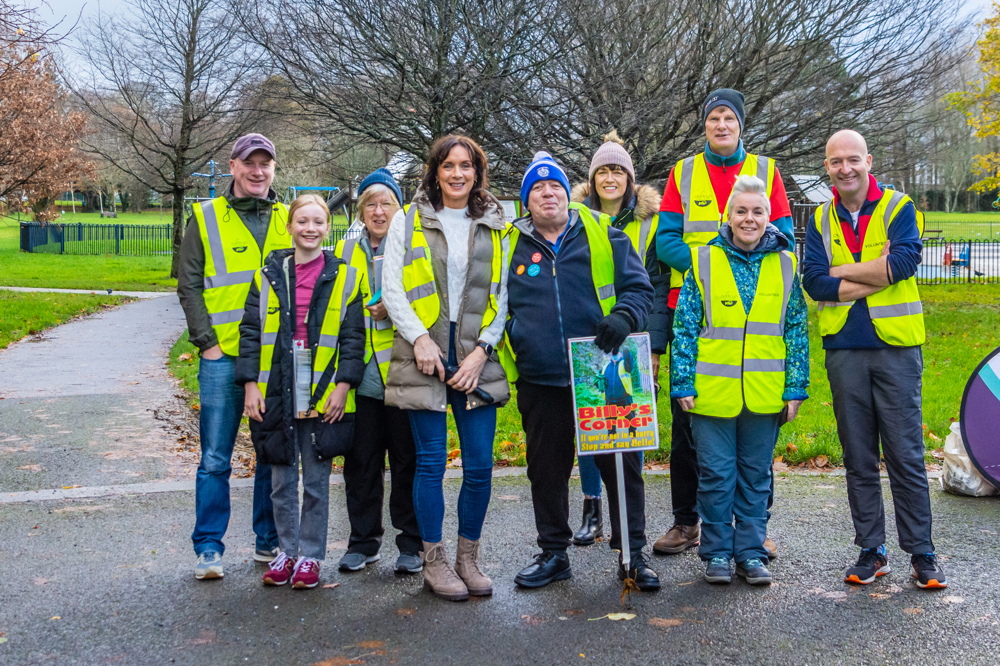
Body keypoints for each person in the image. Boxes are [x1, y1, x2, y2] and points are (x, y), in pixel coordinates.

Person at [503, 151, 659, 592]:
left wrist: (625, 318)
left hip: (604, 374)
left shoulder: (603, 233)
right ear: (526, 200)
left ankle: (632, 555)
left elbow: (639, 289)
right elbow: (496, 306)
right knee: (546, 470)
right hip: (541, 377)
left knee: (621, 467)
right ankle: (554, 553)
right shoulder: (508, 245)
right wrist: (519, 334)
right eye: (537, 187)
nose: (547, 193)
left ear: (567, 194)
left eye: (554, 185)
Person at [802, 130, 947, 589]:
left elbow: (901, 265)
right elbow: (813, 283)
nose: (845, 169)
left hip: (897, 348)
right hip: (844, 349)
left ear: (868, 161)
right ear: (827, 167)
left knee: (905, 454)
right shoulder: (821, 218)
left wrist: (840, 271)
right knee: (859, 456)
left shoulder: (899, 208)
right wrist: (869, 273)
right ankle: (872, 549)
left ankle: (922, 553)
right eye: (835, 161)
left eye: (852, 160)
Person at [654, 89, 794, 559]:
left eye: (728, 117)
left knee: (757, 425)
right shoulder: (683, 171)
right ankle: (686, 522)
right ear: (705, 126)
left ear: (740, 125)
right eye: (713, 117)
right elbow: (666, 239)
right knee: (688, 423)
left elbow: (786, 238)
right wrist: (710, 268)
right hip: (695, 306)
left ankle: (755, 529)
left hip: (755, 310)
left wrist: (734, 266)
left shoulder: (768, 171)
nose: (720, 125)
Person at [382, 134, 510, 601]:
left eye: (467, 165)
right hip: (424, 353)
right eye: (448, 165)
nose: (458, 173)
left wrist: (483, 352)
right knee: (430, 462)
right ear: (434, 171)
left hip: (477, 356)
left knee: (479, 466)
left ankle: (467, 560)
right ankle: (434, 564)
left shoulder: (497, 221)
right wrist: (419, 339)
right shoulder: (408, 219)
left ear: (478, 171)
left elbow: (505, 293)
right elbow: (391, 285)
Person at [671, 175, 808, 586]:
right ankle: (716, 553)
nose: (749, 219)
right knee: (715, 474)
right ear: (726, 216)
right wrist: (682, 382)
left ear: (770, 219)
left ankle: (749, 552)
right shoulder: (704, 261)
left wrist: (795, 388)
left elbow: (797, 330)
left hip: (765, 395)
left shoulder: (785, 265)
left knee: (755, 475)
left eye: (758, 212)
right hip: (711, 393)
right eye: (741, 211)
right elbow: (685, 325)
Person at [236, 194, 365, 588]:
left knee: (315, 479)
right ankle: (286, 552)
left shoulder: (345, 276)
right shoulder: (267, 275)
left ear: (329, 228)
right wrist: (251, 386)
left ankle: (309, 556)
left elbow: (353, 337)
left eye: (319, 222)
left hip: (323, 388)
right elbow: (250, 334)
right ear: (290, 226)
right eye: (303, 221)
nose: (310, 229)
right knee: (280, 477)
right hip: (277, 388)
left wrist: (343, 386)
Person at [177, 133, 287, 579]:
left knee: (271, 453)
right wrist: (207, 343)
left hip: (274, 358)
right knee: (216, 457)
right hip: (222, 356)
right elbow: (189, 285)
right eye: (250, 163)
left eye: (266, 163)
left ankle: (267, 541)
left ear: (274, 168)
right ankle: (208, 546)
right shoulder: (204, 218)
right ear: (233, 166)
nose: (258, 171)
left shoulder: (290, 216)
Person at [568, 131, 669, 547]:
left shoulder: (652, 222)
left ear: (630, 179)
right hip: (586, 338)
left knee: (630, 426)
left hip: (633, 336)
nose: (610, 178)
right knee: (590, 425)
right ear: (592, 179)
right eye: (603, 171)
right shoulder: (573, 217)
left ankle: (627, 515)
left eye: (617, 171)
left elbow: (657, 286)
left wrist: (656, 346)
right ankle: (592, 507)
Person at [334, 169, 423, 575]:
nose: (378, 210)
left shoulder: (414, 247)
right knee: (362, 463)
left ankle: (411, 544)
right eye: (370, 202)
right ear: (360, 210)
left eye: (386, 202)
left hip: (404, 373)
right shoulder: (344, 250)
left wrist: (394, 303)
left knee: (408, 462)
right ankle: (363, 541)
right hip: (361, 377)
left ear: (398, 207)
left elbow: (429, 299)